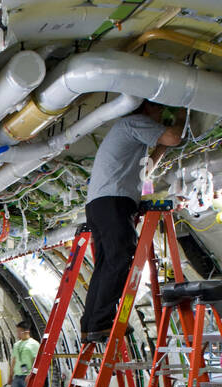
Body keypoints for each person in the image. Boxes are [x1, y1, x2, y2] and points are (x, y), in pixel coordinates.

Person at [78, 100, 185, 343]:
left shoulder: (126, 131)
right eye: (159, 110)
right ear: (147, 109)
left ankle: (90, 325)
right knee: (120, 260)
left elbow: (144, 170)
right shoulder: (134, 122)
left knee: (105, 265)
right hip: (114, 202)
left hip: (100, 204)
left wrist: (160, 148)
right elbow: (175, 137)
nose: (159, 116)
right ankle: (102, 323)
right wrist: (180, 114)